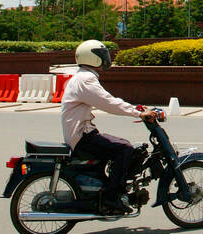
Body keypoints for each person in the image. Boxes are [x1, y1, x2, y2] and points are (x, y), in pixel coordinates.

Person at [61, 40, 160, 215]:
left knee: (120, 146)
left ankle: (109, 187)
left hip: (82, 132)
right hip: (82, 136)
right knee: (124, 148)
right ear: (93, 58)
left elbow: (108, 101)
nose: (106, 59)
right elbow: (108, 103)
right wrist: (137, 113)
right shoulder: (86, 79)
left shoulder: (83, 76)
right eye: (102, 55)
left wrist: (136, 109)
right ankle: (111, 196)